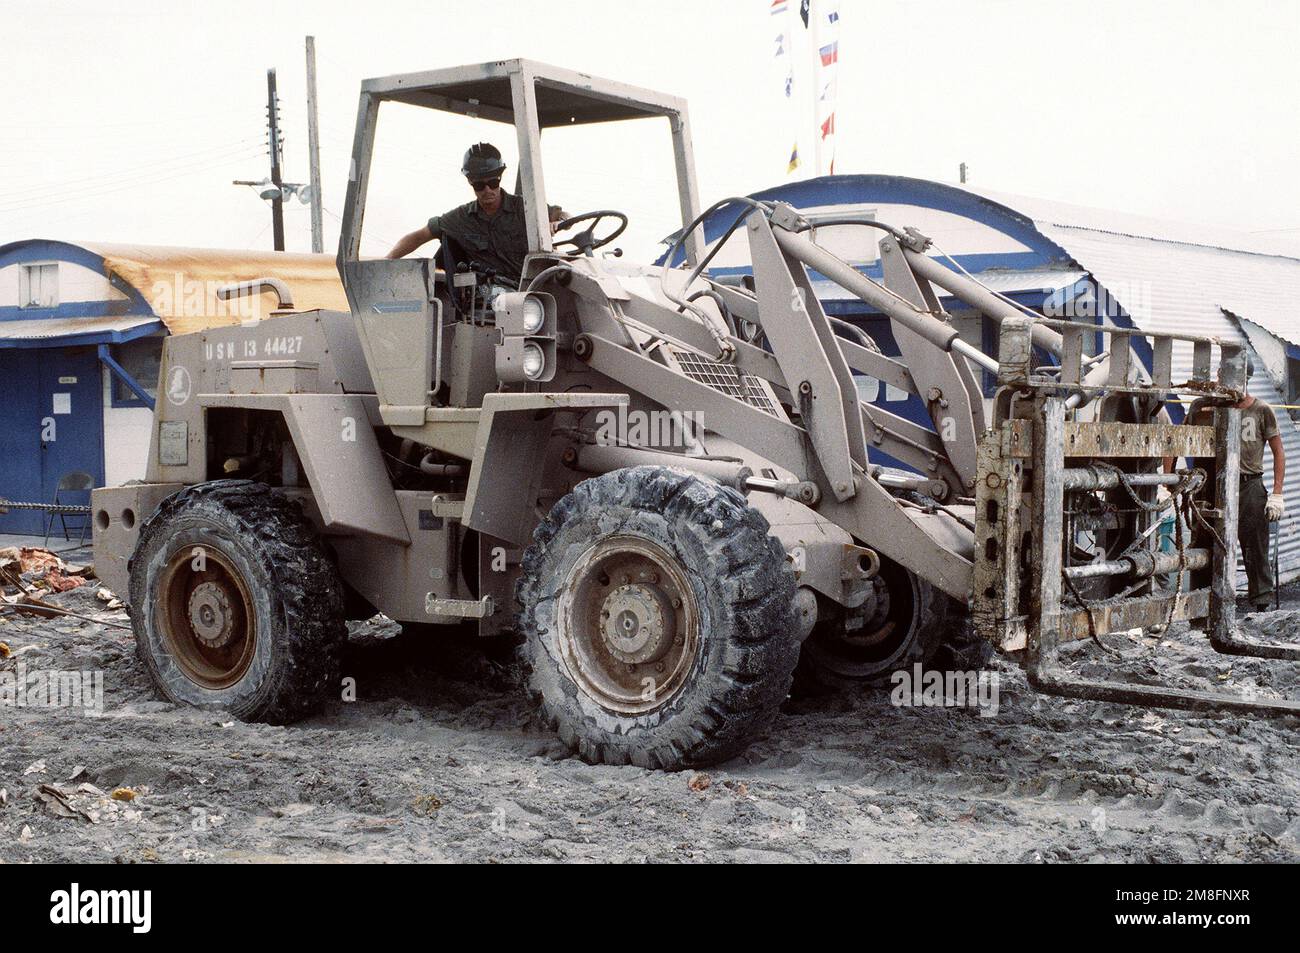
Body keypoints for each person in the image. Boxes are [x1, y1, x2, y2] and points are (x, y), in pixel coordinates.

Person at [1168, 357, 1286, 611]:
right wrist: (1170, 477)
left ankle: (1261, 604)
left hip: (1248, 485)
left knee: (1254, 542)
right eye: (1222, 373)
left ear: (1245, 379)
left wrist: (1277, 493)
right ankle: (1200, 604)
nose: (1225, 379)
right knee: (1202, 542)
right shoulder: (1202, 407)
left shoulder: (1260, 410)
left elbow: (1278, 451)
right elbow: (1175, 439)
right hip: (1208, 485)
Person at [385, 142, 568, 287]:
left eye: (493, 182)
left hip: (532, 290)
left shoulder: (524, 208)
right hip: (489, 296)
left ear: (500, 178)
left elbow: (563, 215)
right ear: (470, 182)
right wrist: (386, 261)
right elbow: (419, 236)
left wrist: (557, 222)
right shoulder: (460, 218)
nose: (488, 190)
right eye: (480, 185)